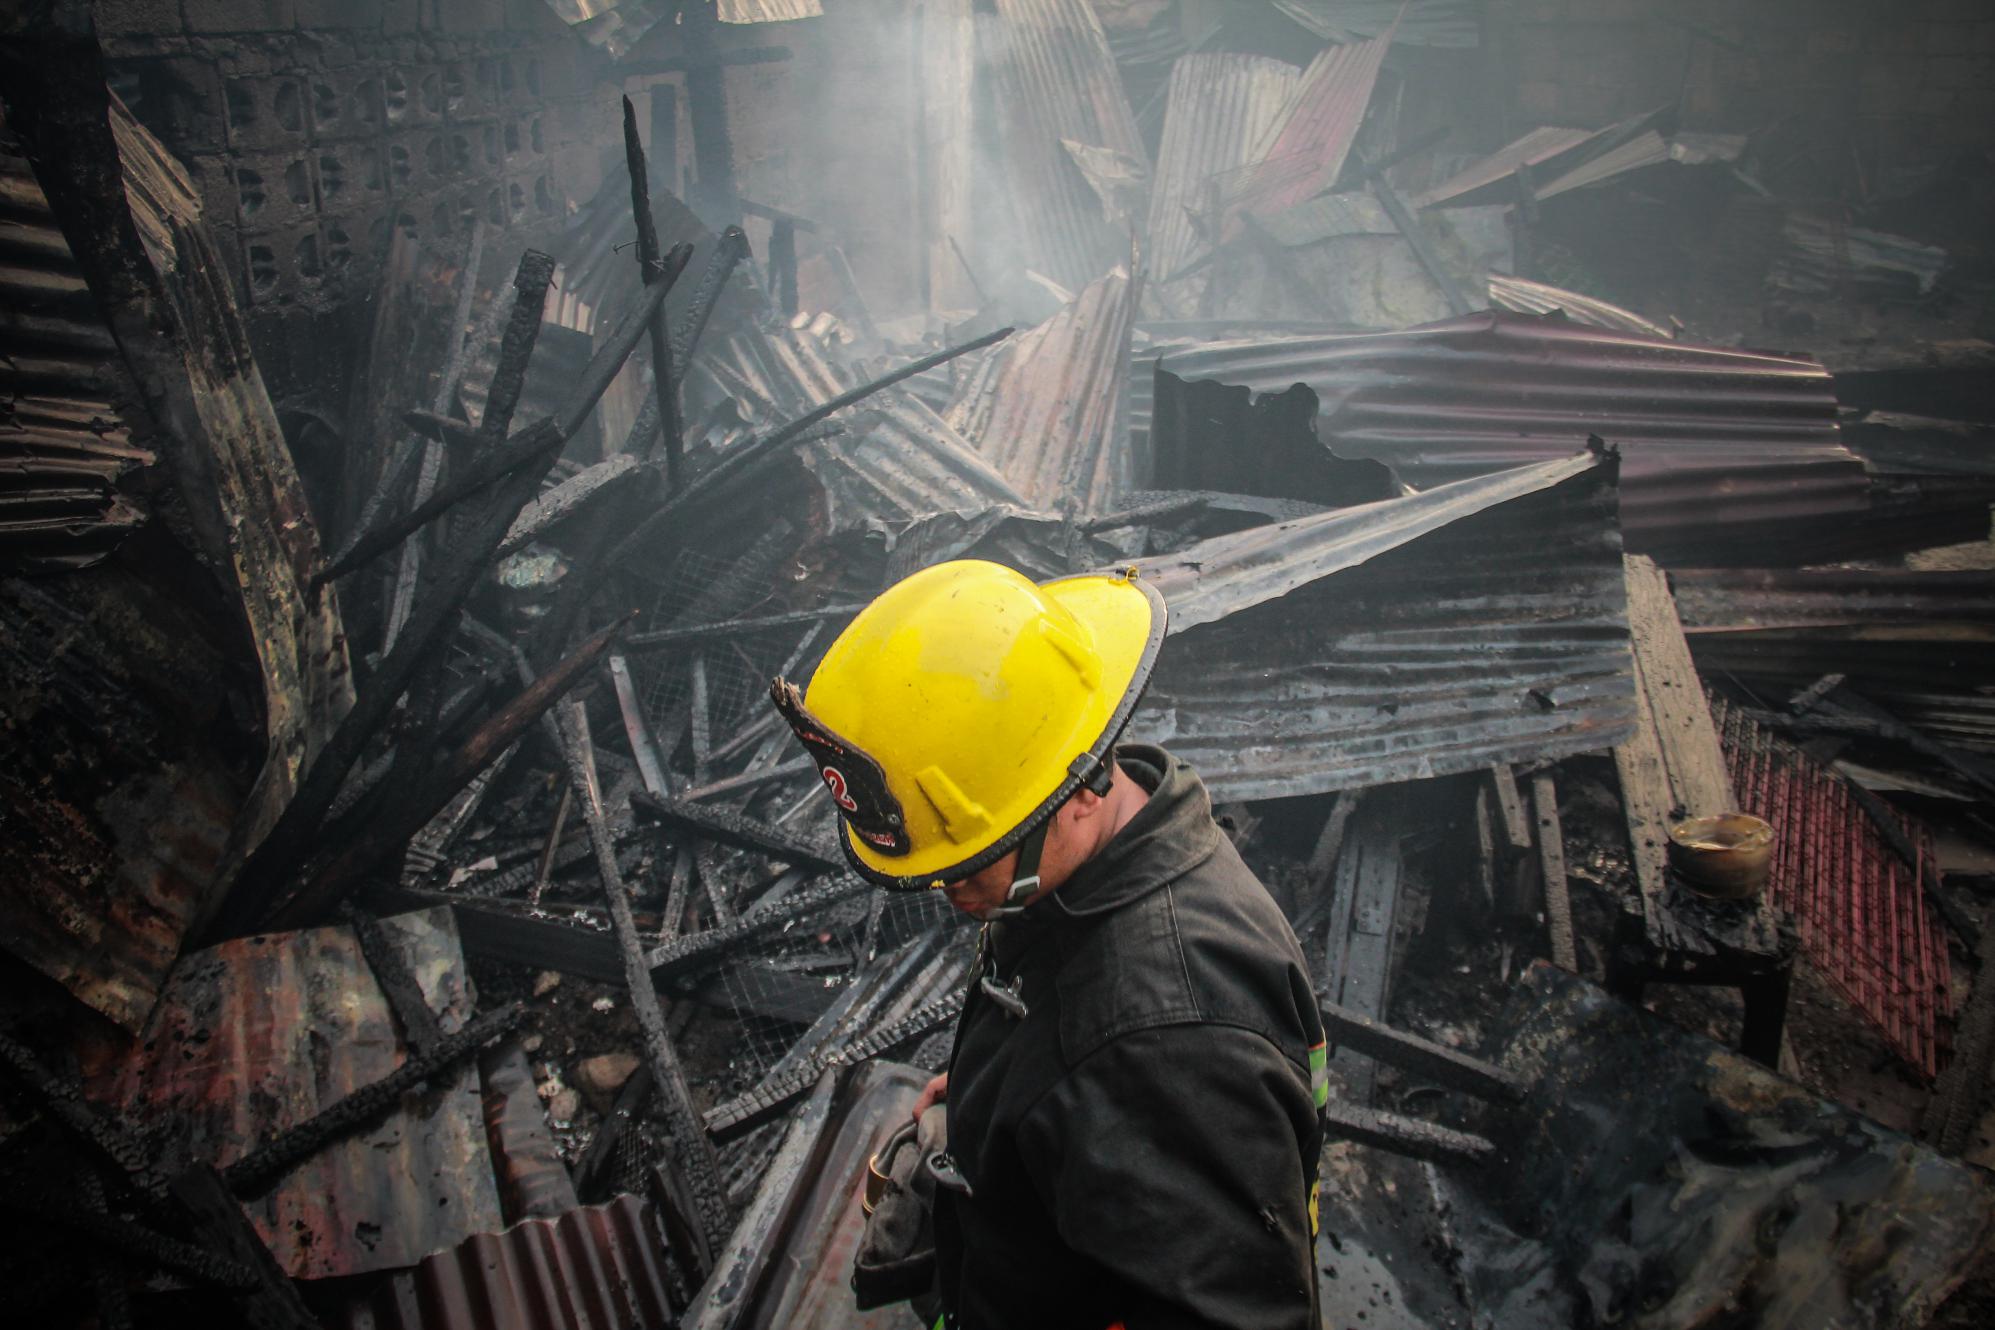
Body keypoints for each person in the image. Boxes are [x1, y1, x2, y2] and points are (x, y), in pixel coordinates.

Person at [772, 559, 1327, 1330]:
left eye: (967, 862)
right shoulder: (1108, 852)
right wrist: (994, 1094)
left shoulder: (1164, 1050)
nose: (948, 891)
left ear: (1078, 792)